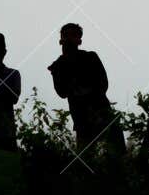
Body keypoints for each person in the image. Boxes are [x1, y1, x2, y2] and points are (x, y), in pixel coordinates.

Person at [48, 23, 123, 151]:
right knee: (85, 158)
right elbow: (61, 92)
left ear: (79, 40)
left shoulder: (90, 57)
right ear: (60, 40)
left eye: (73, 35)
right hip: (81, 119)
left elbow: (103, 84)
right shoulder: (58, 66)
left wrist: (84, 92)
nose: (69, 39)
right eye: (66, 35)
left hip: (102, 113)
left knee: (117, 153)